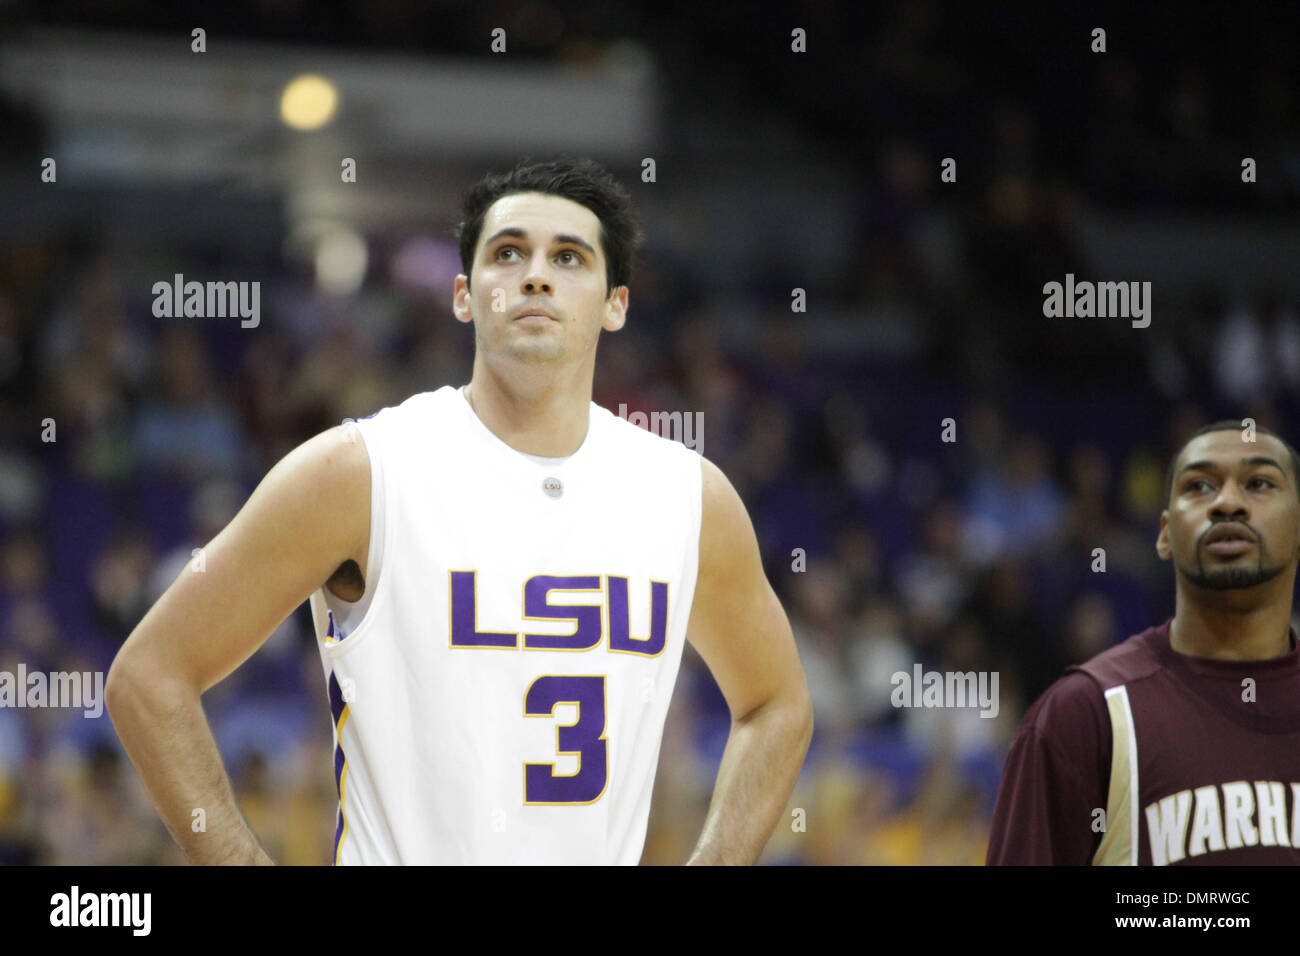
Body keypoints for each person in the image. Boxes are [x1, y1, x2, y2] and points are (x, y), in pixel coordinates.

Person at [106, 157, 813, 865]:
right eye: (508, 254)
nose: (535, 275)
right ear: (465, 295)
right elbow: (149, 679)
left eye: (569, 257)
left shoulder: (687, 497)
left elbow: (777, 704)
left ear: (616, 303)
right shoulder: (358, 473)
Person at [987, 420, 1300, 865]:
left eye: (1260, 483)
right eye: (1201, 485)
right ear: (1164, 534)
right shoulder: (1081, 717)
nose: (1228, 502)